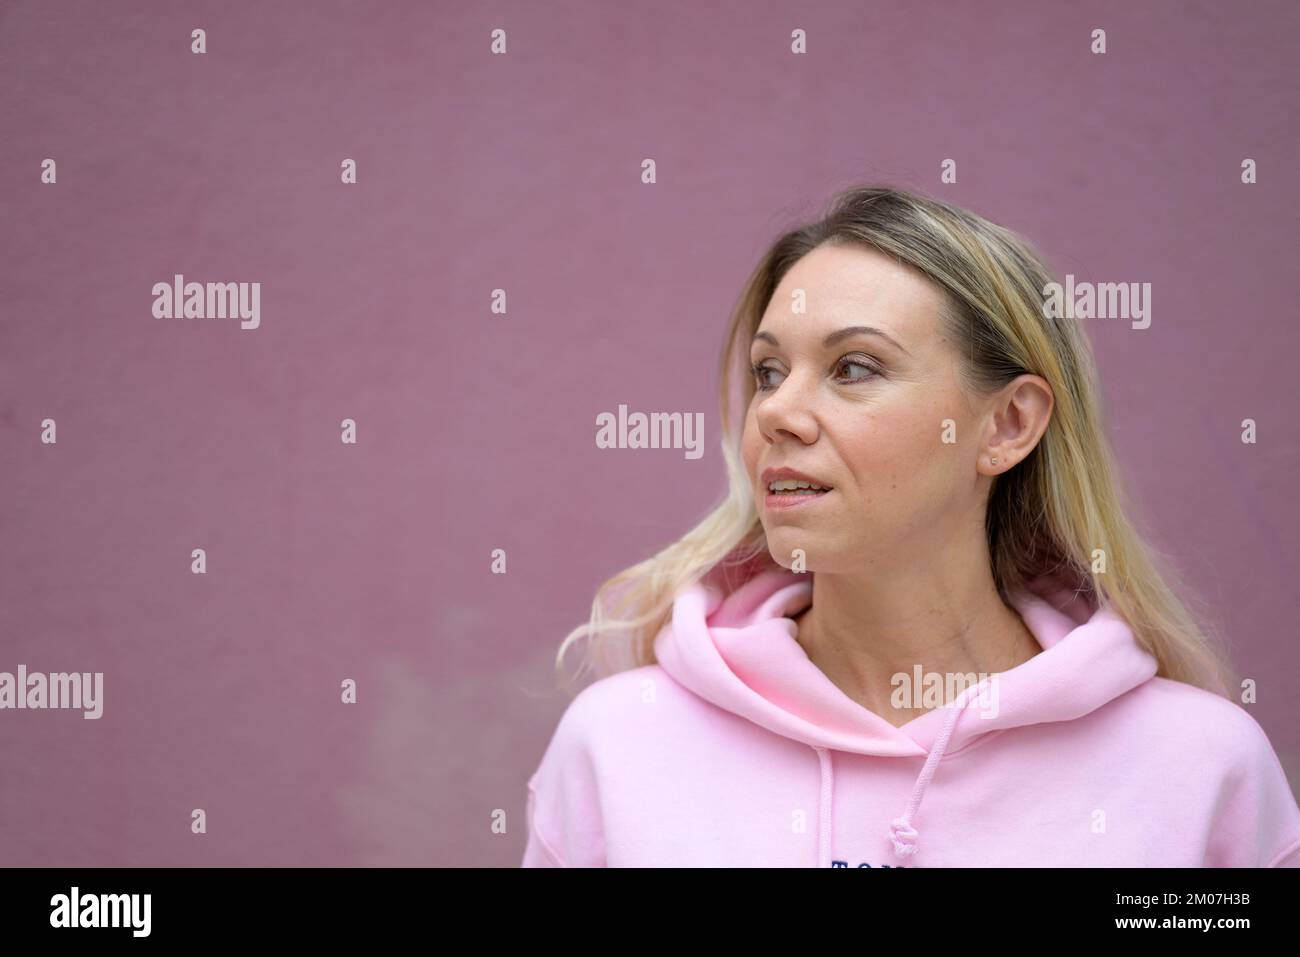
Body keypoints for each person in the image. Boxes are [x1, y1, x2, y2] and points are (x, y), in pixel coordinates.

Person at [520, 185, 1300, 867]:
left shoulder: (1201, 769)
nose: (778, 412)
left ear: (1006, 424)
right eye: (767, 371)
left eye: (853, 367)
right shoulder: (619, 748)